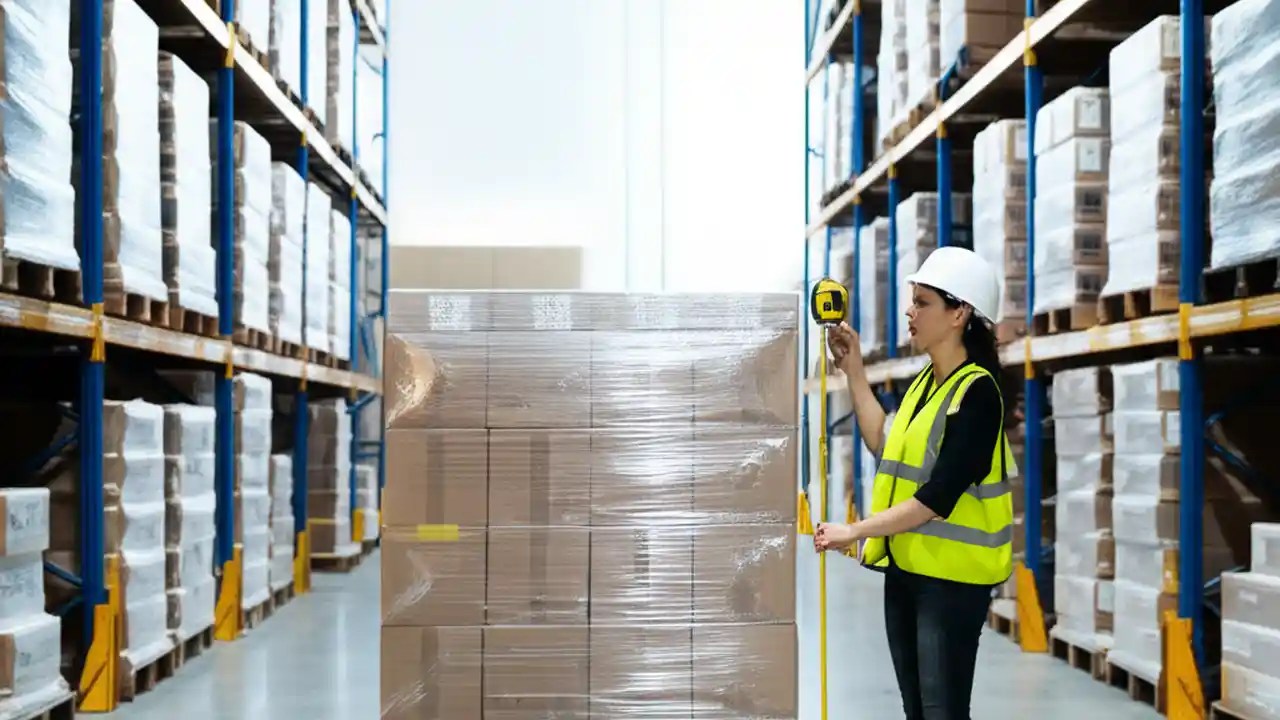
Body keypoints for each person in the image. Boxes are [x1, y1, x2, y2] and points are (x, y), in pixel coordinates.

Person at [813, 246, 1015, 720]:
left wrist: (856, 530)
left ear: (958, 313)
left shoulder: (978, 393)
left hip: (952, 583)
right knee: (918, 712)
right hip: (908, 572)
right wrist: (854, 371)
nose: (910, 311)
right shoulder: (927, 383)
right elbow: (885, 443)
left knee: (942, 713)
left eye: (922, 302)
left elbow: (938, 496)